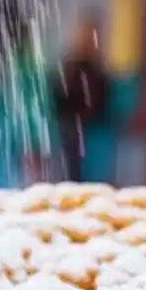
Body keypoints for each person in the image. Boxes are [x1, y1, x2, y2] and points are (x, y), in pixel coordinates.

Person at [52, 17, 110, 182]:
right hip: (70, 128)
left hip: (91, 130)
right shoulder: (70, 67)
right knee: (71, 170)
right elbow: (60, 95)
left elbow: (102, 98)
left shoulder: (97, 69)